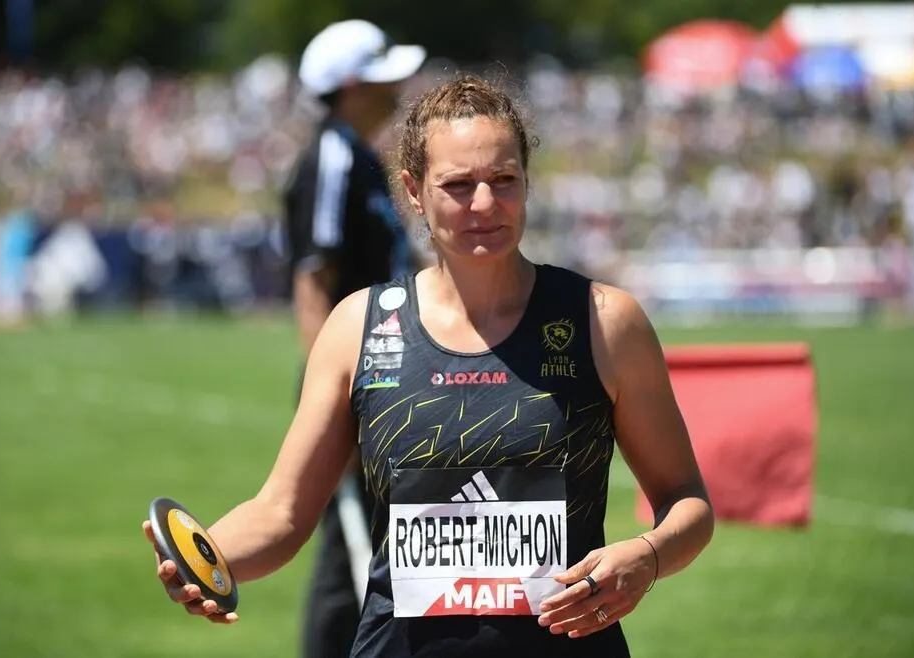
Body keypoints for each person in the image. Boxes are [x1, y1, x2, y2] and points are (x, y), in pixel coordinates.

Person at [143, 74, 715, 657]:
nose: (484, 204)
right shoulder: (357, 327)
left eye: (504, 180)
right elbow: (282, 513)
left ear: (527, 181)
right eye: (458, 185)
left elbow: (686, 499)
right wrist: (206, 559)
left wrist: (647, 556)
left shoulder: (604, 321)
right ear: (414, 192)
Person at [282, 19, 427, 658]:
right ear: (349, 86)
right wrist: (336, 397)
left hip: (391, 374)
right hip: (357, 380)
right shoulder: (333, 158)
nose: (397, 87)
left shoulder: (361, 157)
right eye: (382, 75)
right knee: (349, 550)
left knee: (381, 536)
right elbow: (314, 281)